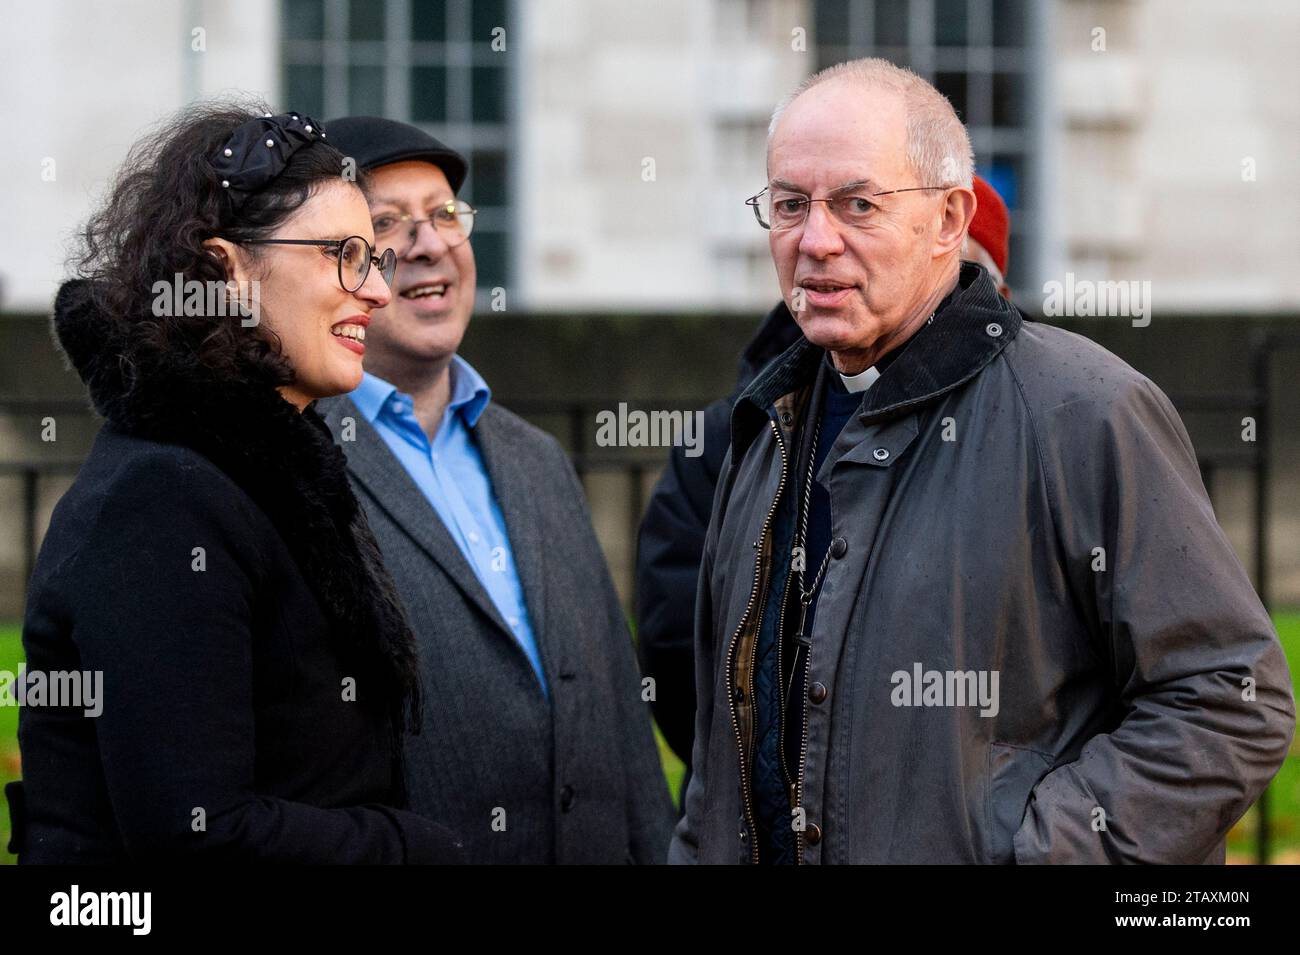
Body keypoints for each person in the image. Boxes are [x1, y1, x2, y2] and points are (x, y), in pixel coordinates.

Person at [668, 58, 1295, 864]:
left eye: (859, 203)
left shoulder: (1085, 408)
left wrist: (1037, 851)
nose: (815, 240)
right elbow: (727, 753)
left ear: (948, 218)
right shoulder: (766, 424)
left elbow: (1230, 696)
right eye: (790, 204)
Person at [8, 105, 464, 863]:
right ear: (226, 269)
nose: (376, 291)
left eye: (373, 258)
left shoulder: (270, 465)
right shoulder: (162, 499)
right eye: (343, 255)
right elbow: (198, 831)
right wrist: (417, 849)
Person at [315, 117, 675, 864]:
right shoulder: (304, 461)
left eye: (445, 213)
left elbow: (619, 719)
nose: (428, 242)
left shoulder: (536, 457)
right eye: (387, 222)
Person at [637, 174, 1012, 785]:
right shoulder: (740, 432)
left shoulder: (1046, 419)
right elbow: (682, 655)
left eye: (960, 274)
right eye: (794, 208)